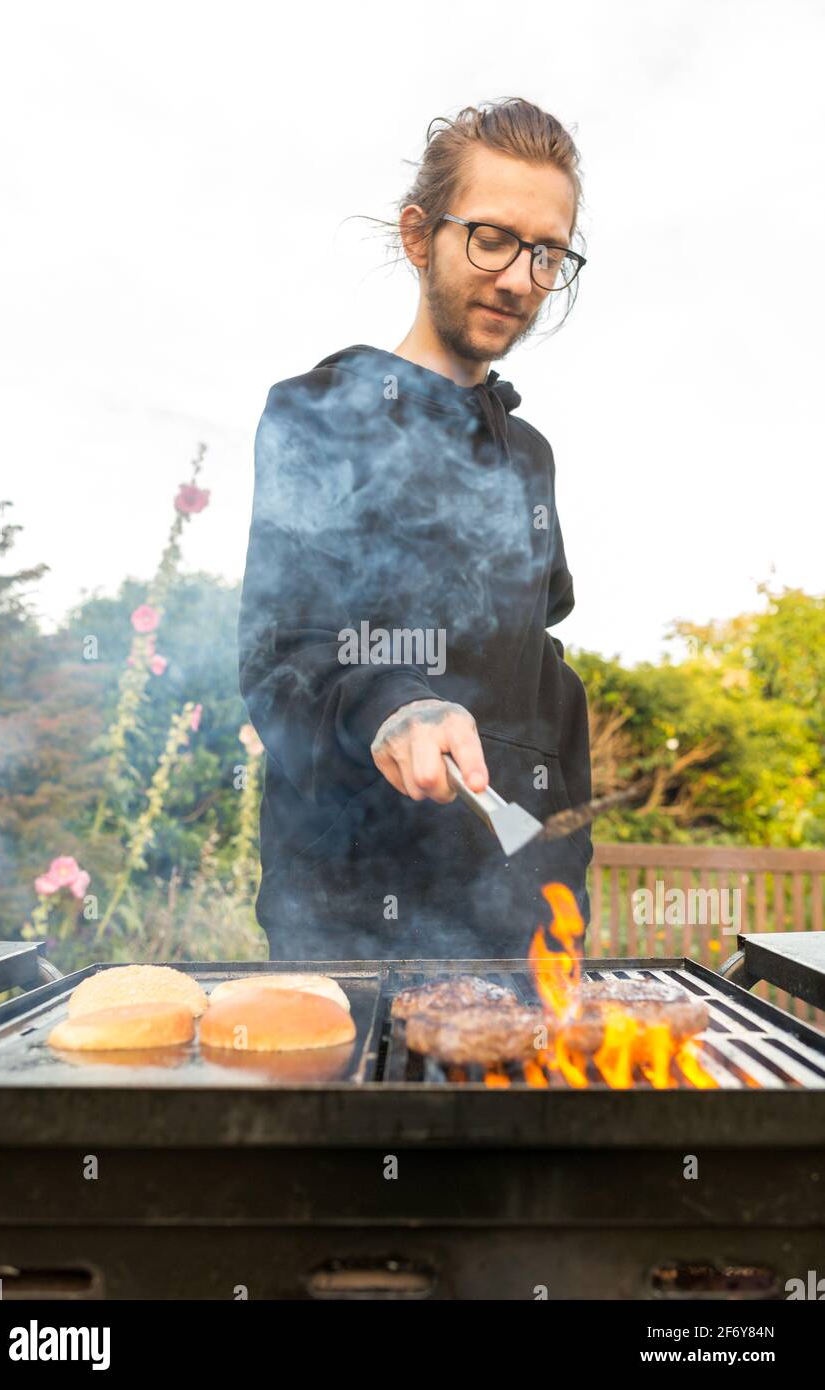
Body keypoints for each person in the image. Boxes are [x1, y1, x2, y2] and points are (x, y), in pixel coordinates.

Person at [238, 97, 593, 961]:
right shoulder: (316, 415)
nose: (519, 277)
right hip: (346, 935)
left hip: (516, 938)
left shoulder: (530, 458)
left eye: (548, 253)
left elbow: (540, 683)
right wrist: (394, 704)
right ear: (416, 235)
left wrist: (563, 878)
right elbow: (279, 661)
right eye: (493, 237)